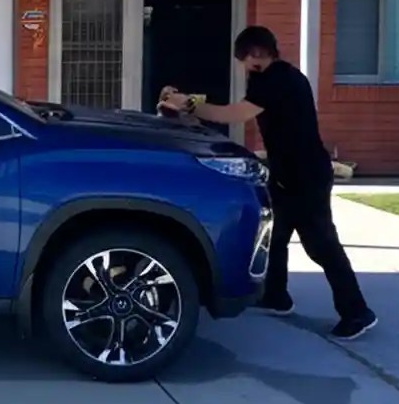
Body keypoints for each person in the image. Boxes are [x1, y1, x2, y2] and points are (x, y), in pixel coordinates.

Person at [158, 25, 377, 340]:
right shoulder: (267, 78)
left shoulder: (277, 79)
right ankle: (276, 295)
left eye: (259, 54)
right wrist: (188, 100)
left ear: (270, 53)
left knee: (322, 245)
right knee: (275, 236)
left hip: (307, 176)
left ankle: (357, 312)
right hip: (286, 173)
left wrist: (186, 104)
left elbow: (233, 115)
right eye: (248, 56)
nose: (253, 61)